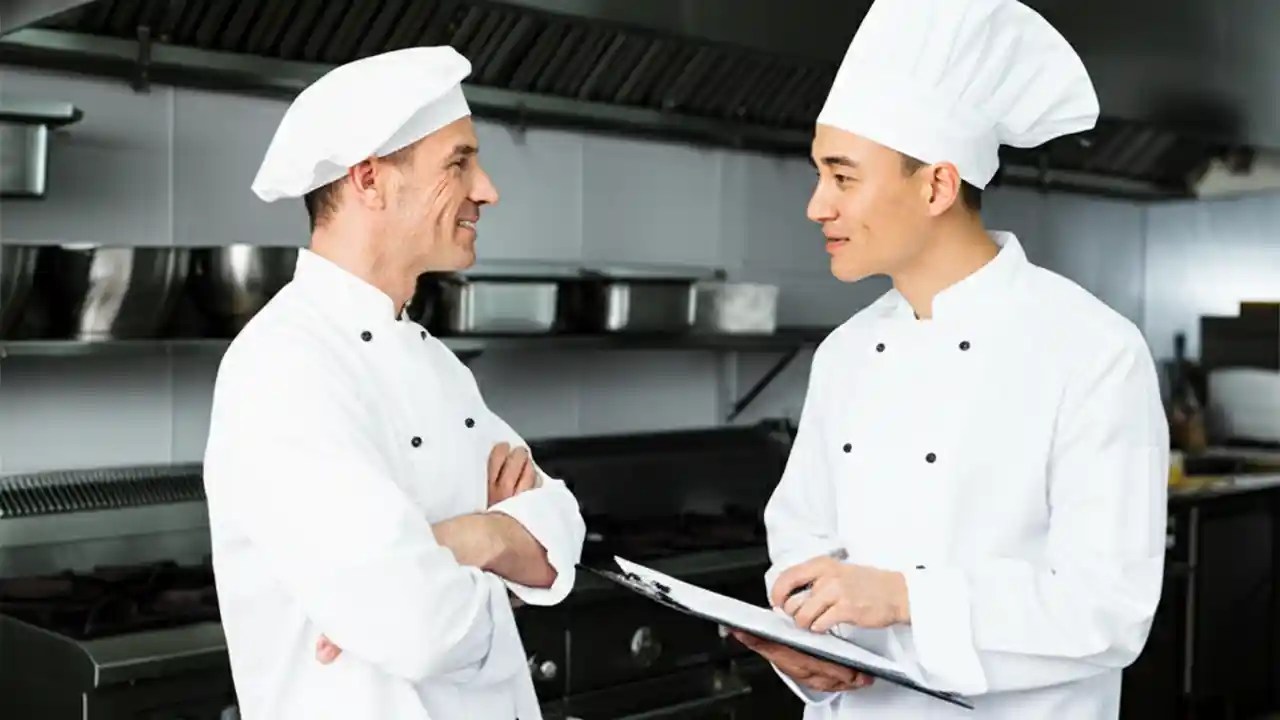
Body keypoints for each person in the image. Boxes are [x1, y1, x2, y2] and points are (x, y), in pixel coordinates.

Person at [731, 0, 1169, 717]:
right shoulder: (844, 355)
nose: (816, 206)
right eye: (819, 175)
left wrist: (905, 598)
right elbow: (801, 547)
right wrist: (806, 651)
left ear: (936, 184)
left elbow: (1108, 609)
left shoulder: (1093, 352)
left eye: (842, 177)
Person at [202, 46, 585, 720]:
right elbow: (416, 624)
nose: (486, 189)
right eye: (458, 163)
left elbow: (561, 533)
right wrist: (497, 555)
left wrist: (471, 541)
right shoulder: (284, 366)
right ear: (370, 180)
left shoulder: (438, 365)